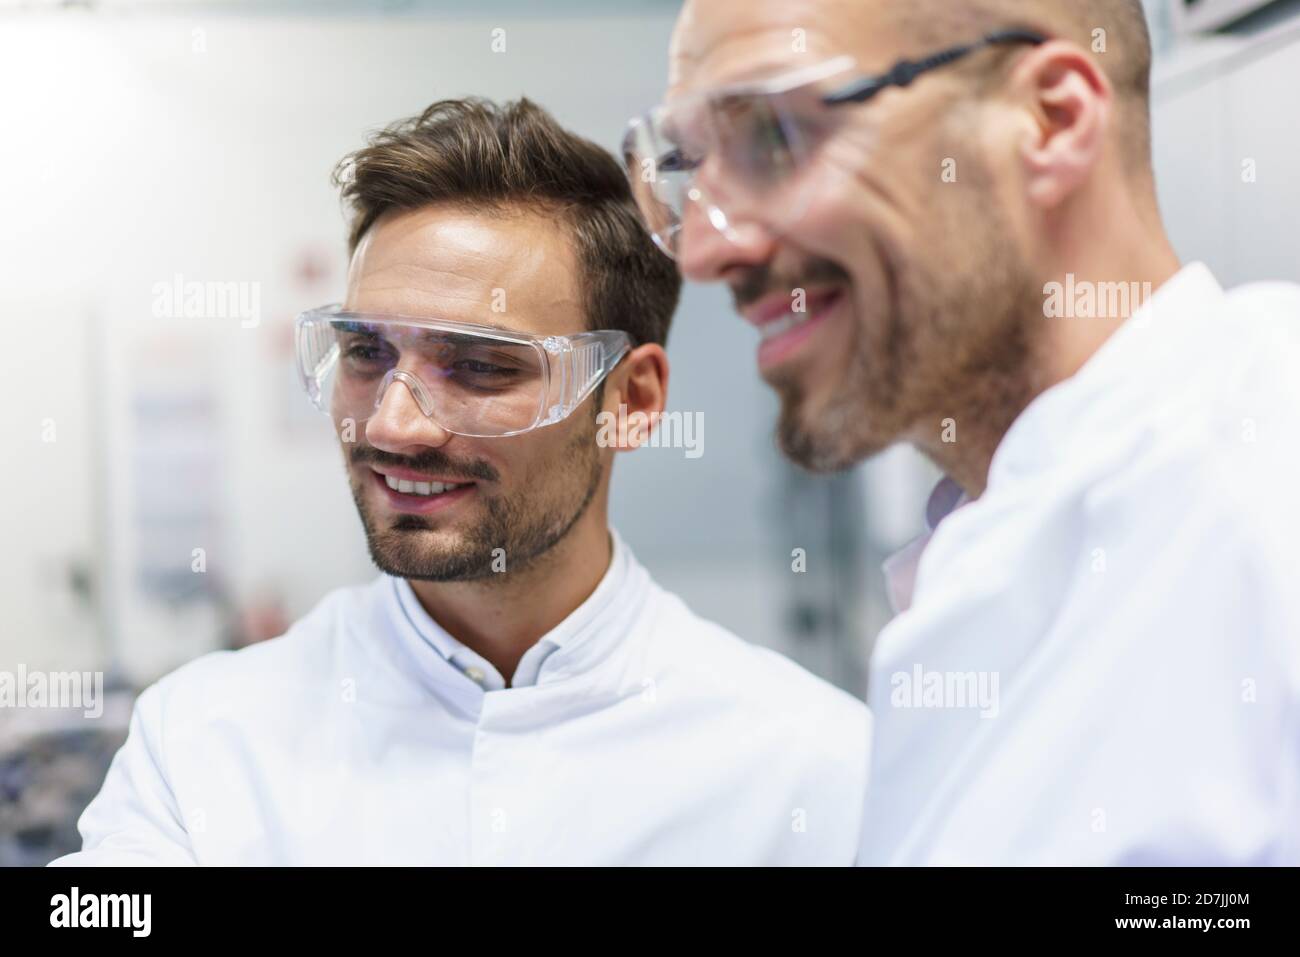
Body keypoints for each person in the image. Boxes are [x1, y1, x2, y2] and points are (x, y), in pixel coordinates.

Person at [54, 97, 867, 866]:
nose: (391, 426)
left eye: (480, 364)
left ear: (631, 401)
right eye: (367, 353)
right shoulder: (201, 742)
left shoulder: (813, 766)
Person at [628, 0, 1300, 864]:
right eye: (685, 168)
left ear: (1048, 121)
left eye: (774, 136)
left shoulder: (1268, 484)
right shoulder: (978, 555)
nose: (703, 255)